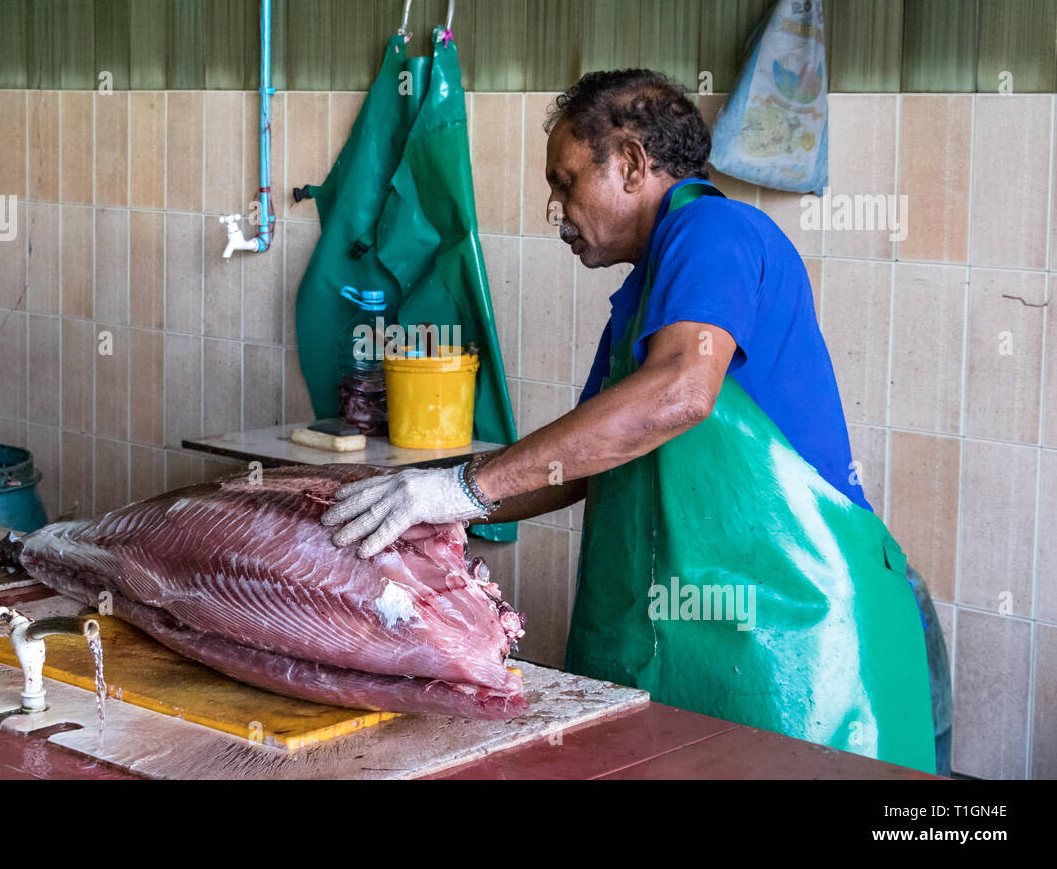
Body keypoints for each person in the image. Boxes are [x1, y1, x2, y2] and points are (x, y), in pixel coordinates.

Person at [323, 69, 944, 774]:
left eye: (564, 181)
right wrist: (429, 502)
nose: (556, 208)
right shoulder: (640, 303)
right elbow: (580, 458)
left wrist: (464, 489)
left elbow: (681, 391)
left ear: (630, 162)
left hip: (798, 652)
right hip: (695, 644)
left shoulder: (715, 228)